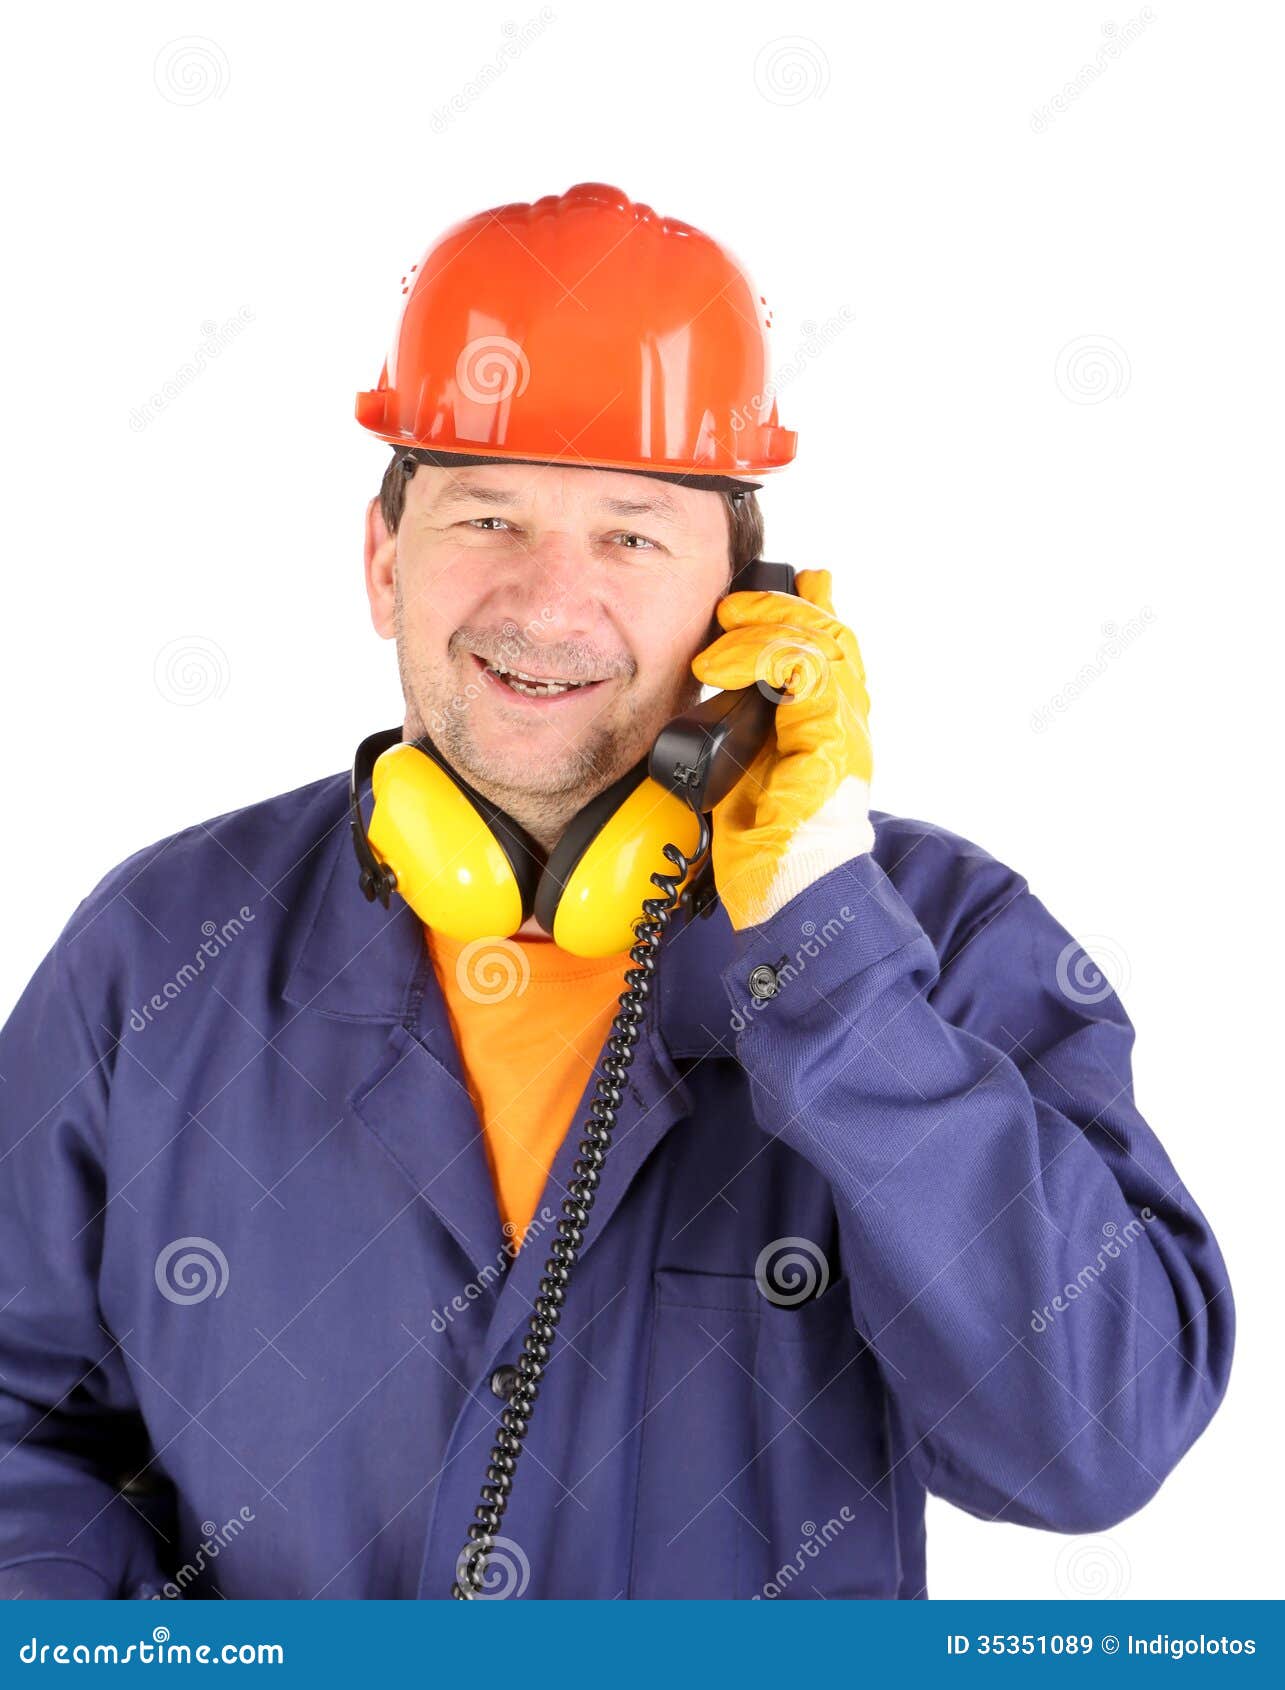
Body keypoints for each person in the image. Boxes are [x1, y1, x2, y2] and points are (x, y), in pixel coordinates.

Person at [0, 183, 1233, 1601]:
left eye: (632, 535)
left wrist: (828, 960)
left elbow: (1091, 1438)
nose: (545, 600)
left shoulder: (937, 941)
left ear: (747, 602)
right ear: (382, 560)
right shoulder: (162, 947)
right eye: (487, 517)